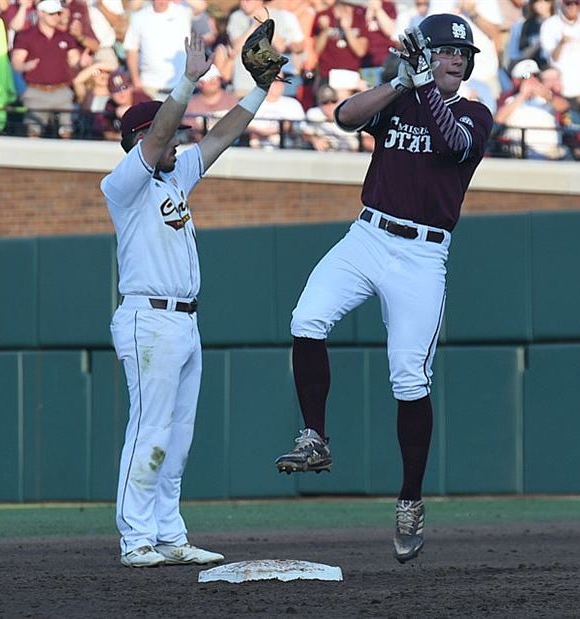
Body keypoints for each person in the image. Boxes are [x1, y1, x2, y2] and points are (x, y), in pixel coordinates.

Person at [272, 13, 492, 564]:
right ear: (425, 55)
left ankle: (410, 499)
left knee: (408, 377)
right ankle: (314, 437)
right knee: (307, 318)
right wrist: (399, 79)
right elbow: (345, 116)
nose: (455, 60)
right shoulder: (401, 96)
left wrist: (420, 84)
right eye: (445, 52)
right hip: (367, 233)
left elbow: (450, 145)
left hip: (421, 253)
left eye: (461, 55)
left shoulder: (475, 112)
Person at [103, 31, 278, 569]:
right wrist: (186, 81)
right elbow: (156, 138)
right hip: (147, 317)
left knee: (177, 437)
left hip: (184, 320)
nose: (177, 141)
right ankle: (136, 538)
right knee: (150, 427)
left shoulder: (174, 177)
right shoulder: (125, 183)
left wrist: (258, 91)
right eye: (168, 133)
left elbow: (221, 138)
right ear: (139, 139)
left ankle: (168, 531)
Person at [10, 0, 81, 138]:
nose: (56, 17)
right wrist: (26, 66)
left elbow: (74, 59)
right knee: (33, 132)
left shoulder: (65, 36)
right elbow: (16, 62)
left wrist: (80, 62)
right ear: (41, 14)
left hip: (62, 91)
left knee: (67, 131)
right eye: (52, 14)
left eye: (59, 13)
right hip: (36, 92)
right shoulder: (26, 36)